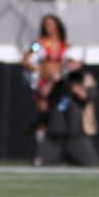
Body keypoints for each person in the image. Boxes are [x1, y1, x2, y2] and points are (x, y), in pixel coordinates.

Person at [37, 50, 99, 167]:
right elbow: (43, 93)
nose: (69, 64)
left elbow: (88, 96)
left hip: (76, 132)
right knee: (39, 163)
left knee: (91, 164)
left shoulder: (85, 77)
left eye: (72, 62)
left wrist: (74, 86)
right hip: (55, 132)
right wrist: (53, 81)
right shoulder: (58, 76)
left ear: (79, 63)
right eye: (67, 61)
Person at [23, 14, 69, 160]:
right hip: (44, 82)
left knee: (59, 114)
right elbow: (26, 58)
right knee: (43, 114)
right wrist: (36, 71)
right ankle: (41, 152)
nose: (48, 27)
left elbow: (69, 63)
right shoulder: (39, 43)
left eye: (51, 24)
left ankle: (57, 151)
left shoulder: (65, 45)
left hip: (59, 84)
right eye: (46, 24)